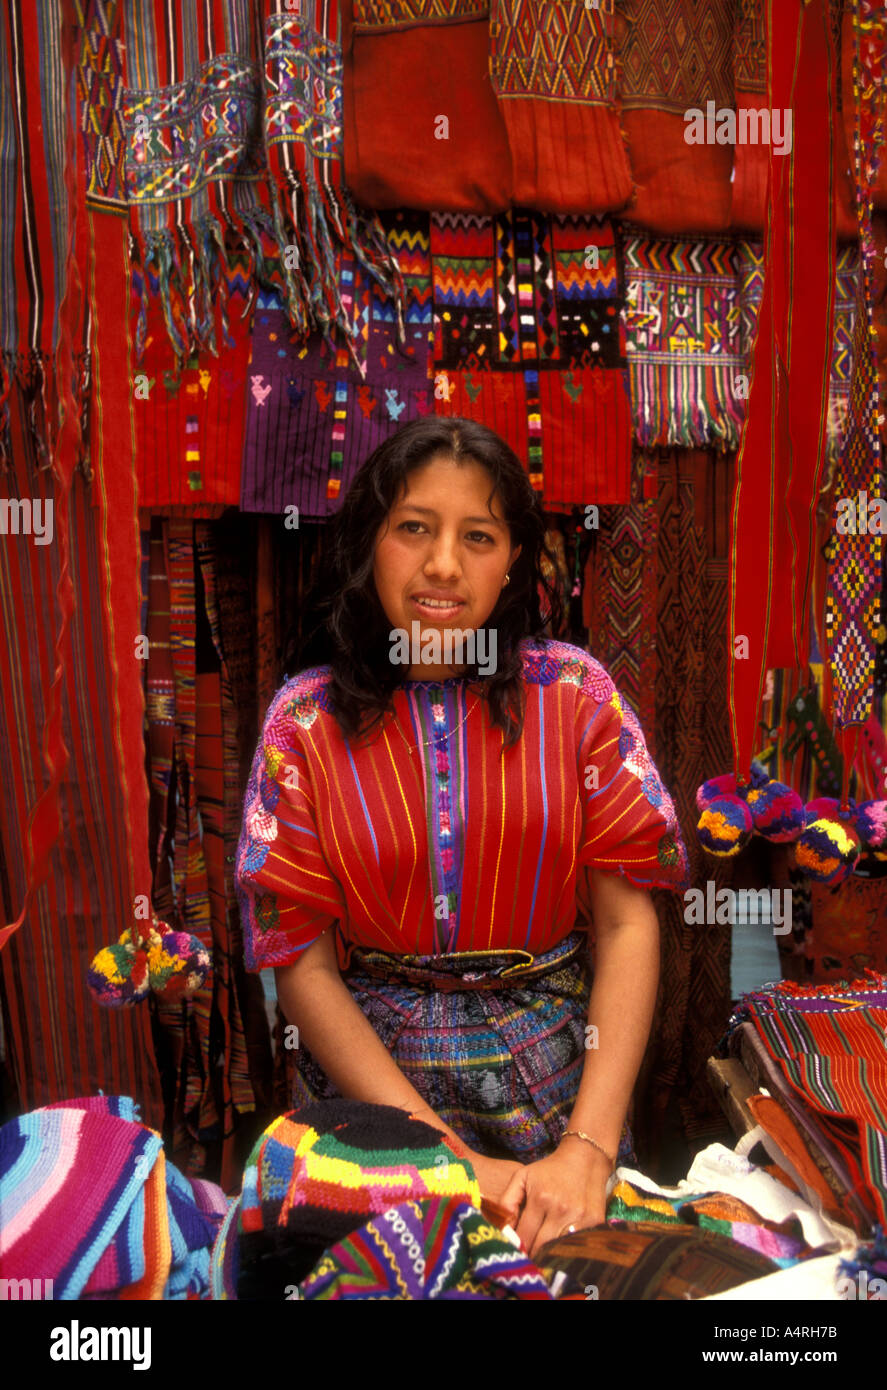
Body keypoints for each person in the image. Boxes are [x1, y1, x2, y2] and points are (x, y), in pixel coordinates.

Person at [235, 416, 689, 1260]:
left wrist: (585, 1151)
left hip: (558, 1084)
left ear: (514, 556)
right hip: (373, 1091)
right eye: (413, 528)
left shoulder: (577, 699)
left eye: (477, 536)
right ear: (371, 540)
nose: (443, 564)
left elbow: (628, 925)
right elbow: (300, 960)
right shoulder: (304, 724)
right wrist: (442, 1161)